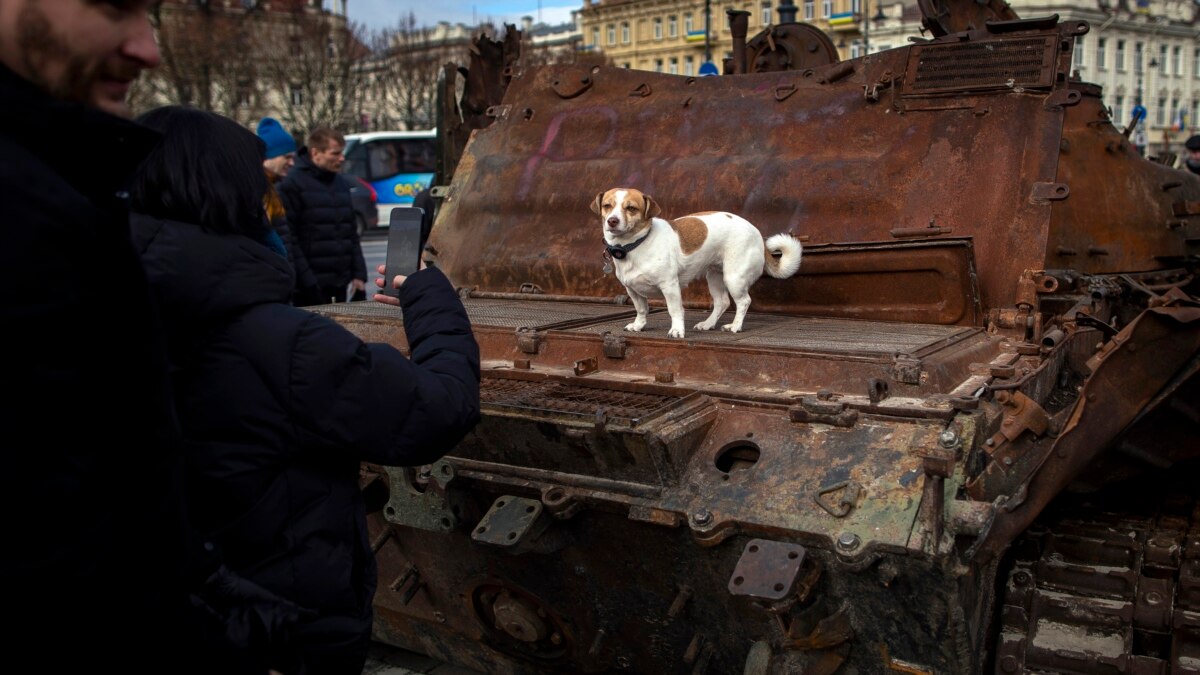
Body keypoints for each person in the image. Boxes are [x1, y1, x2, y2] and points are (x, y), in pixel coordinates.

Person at [0, 3, 302, 671]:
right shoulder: (31, 202)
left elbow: (96, 463)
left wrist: (194, 577)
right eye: (112, 4)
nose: (148, 47)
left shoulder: (66, 185)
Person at [128, 105, 481, 675]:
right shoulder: (276, 343)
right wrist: (428, 296)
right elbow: (438, 408)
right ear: (232, 196)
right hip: (279, 626)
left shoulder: (71, 311)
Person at [278, 125, 368, 306]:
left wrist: (359, 274)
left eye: (341, 153)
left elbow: (350, 231)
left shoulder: (340, 183)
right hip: (308, 288)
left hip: (338, 283)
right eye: (335, 153)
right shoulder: (292, 184)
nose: (342, 158)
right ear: (315, 153)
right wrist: (307, 281)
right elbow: (290, 239)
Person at [257, 116, 319, 303]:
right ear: (268, 157)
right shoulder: (259, 191)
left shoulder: (271, 190)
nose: (292, 163)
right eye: (287, 157)